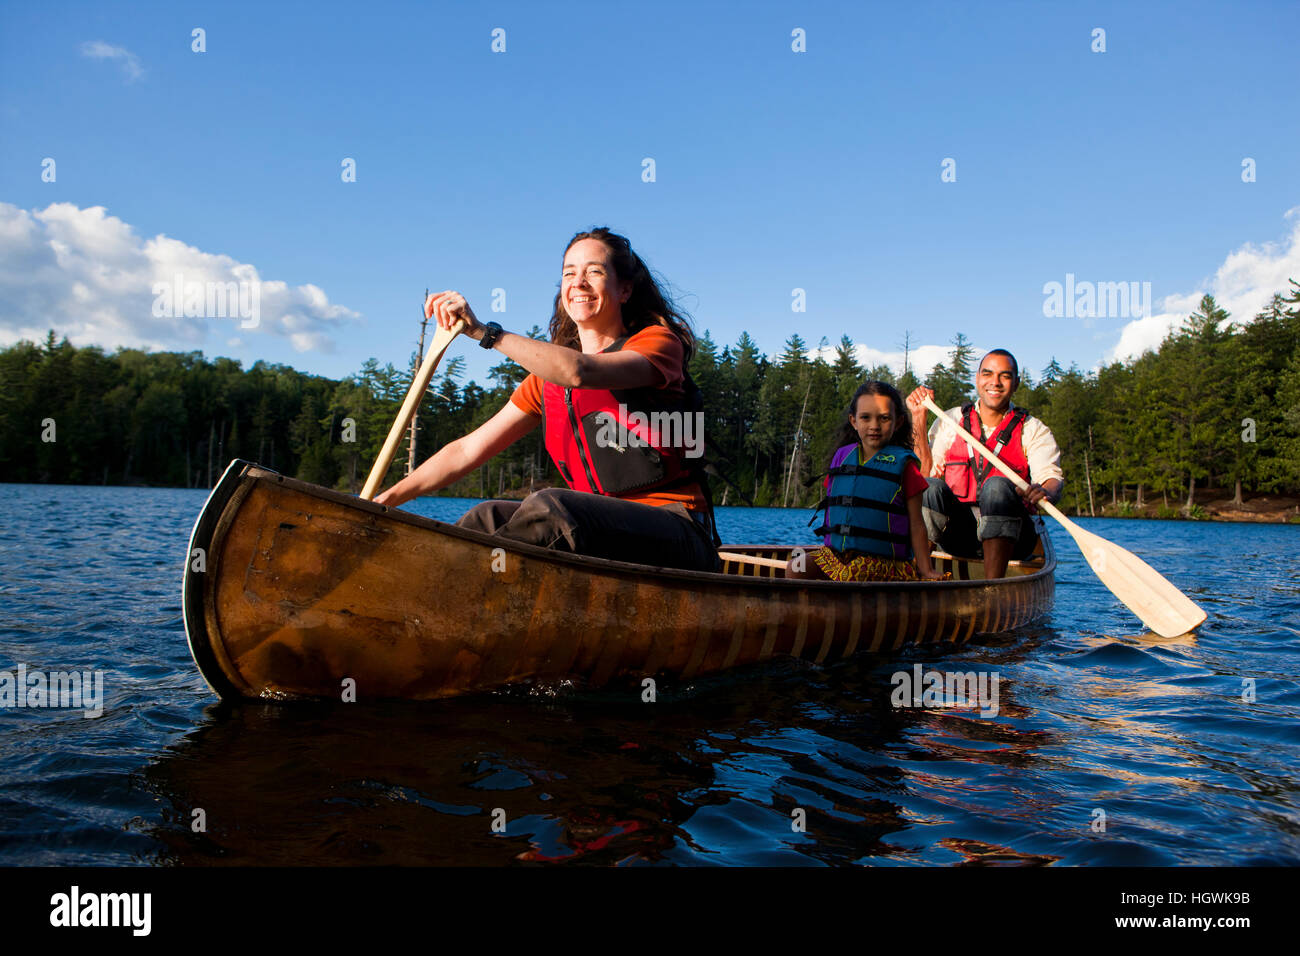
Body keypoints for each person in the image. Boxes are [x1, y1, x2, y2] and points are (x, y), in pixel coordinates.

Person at [374, 227, 721, 572]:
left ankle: (458, 587)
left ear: (625, 289)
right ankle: (429, 587)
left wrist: (484, 332)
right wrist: (388, 500)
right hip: (598, 532)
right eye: (569, 273)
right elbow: (466, 450)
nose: (579, 282)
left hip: (678, 529)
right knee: (487, 517)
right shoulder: (545, 383)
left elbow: (579, 372)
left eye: (594, 271)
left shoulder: (657, 344)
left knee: (553, 506)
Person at [905, 349, 1064, 580]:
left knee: (997, 486)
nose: (995, 383)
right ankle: (917, 575)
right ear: (978, 378)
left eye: (1005, 376)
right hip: (959, 535)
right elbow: (924, 476)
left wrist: (1046, 490)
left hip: (1014, 538)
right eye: (987, 374)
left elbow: (1051, 479)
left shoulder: (1033, 429)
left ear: (1016, 383)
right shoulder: (950, 421)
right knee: (929, 487)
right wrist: (918, 419)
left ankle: (992, 587)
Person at [789, 381, 944, 582]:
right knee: (796, 566)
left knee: (854, 573)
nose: (874, 426)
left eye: (884, 418)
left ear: (898, 423)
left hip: (882, 561)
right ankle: (808, 612)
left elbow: (917, 524)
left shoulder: (905, 465)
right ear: (854, 421)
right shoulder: (842, 457)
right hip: (839, 556)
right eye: (865, 417)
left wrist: (926, 569)